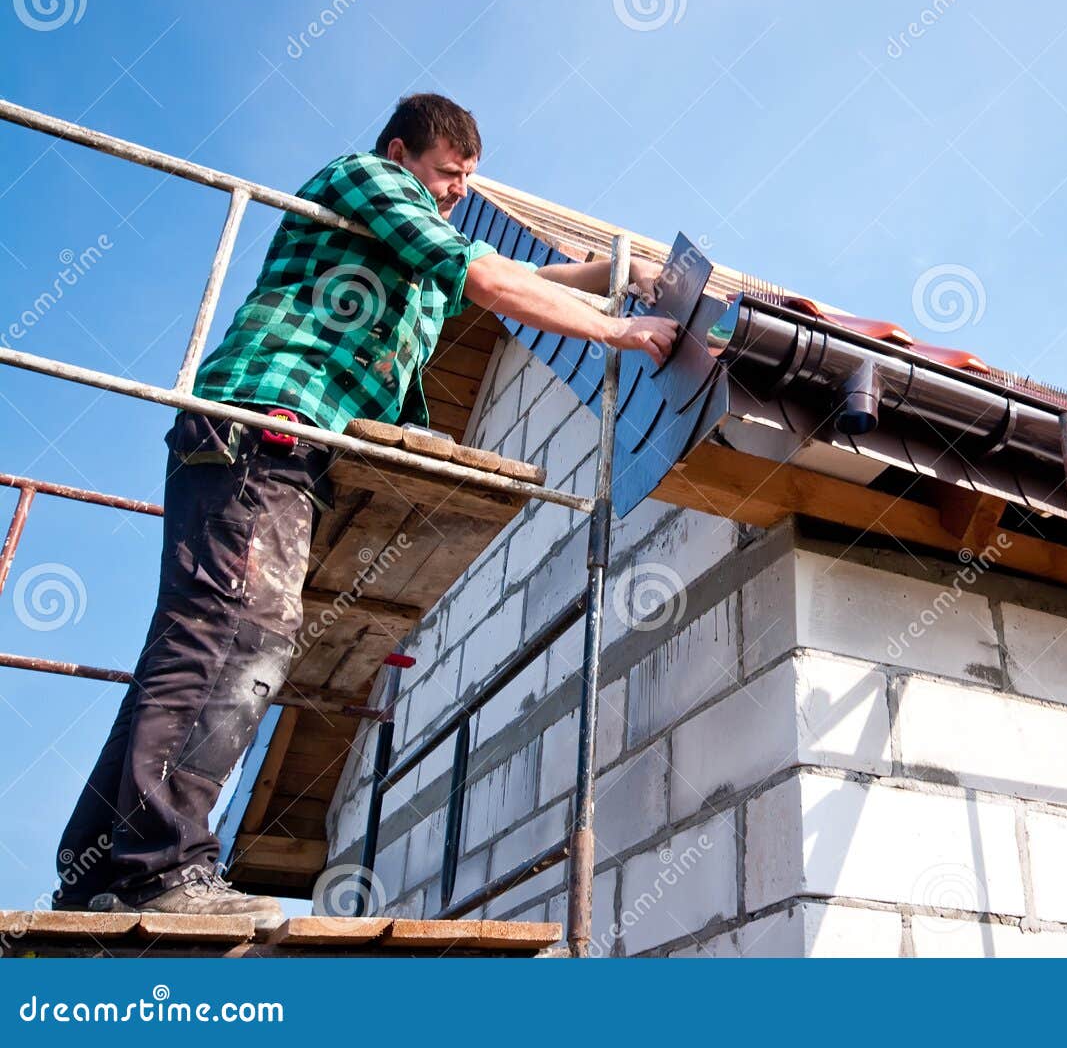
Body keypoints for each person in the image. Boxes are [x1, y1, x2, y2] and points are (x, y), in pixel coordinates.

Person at [52, 93, 678, 930]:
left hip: (285, 444)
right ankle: (156, 864)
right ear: (402, 152)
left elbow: (513, 276)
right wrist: (616, 335)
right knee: (236, 635)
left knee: (212, 633)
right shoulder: (370, 179)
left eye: (467, 179)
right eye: (450, 174)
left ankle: (98, 863)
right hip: (265, 419)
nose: (458, 191)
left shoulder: (413, 249)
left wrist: (620, 276)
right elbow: (485, 276)